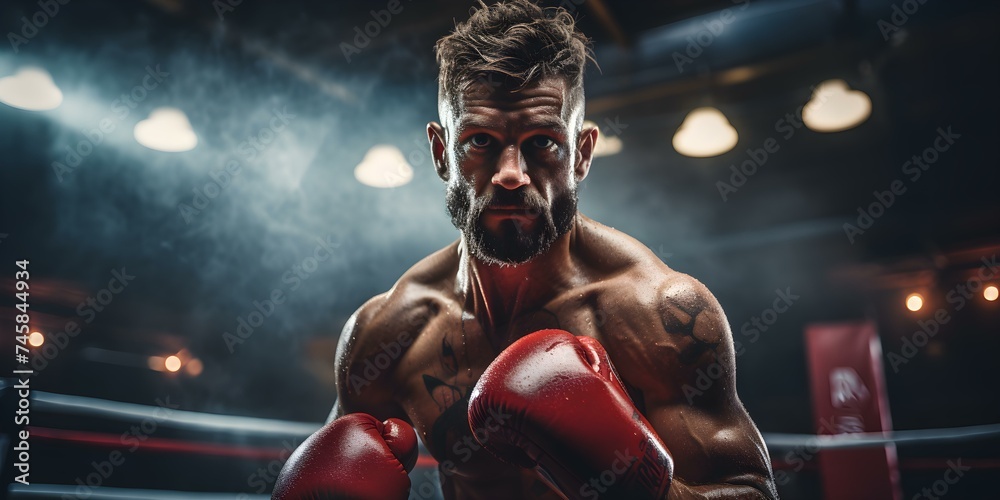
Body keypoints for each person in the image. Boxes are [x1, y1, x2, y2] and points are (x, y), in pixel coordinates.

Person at [274, 1, 777, 498]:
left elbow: (750, 491)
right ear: (439, 153)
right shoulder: (386, 334)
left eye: (541, 142)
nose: (510, 173)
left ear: (581, 154)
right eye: (479, 140)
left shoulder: (659, 315)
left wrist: (651, 492)